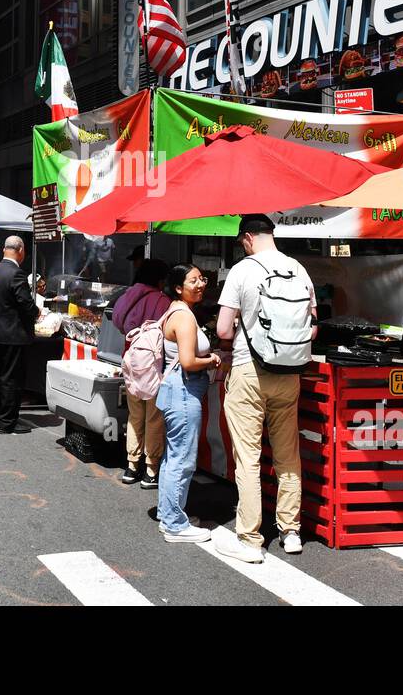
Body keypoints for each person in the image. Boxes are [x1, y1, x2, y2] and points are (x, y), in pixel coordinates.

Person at [216, 214, 316, 563]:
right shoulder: (299, 269)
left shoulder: (242, 271)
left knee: (248, 457)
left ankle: (250, 537)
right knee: (288, 454)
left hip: (249, 370)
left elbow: (224, 330)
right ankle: (291, 532)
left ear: (247, 238)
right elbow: (313, 328)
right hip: (290, 374)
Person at [156, 264, 220, 543]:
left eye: (201, 279)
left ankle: (170, 513)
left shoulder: (177, 310)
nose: (200, 284)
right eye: (192, 281)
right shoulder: (183, 317)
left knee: (174, 456)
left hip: (177, 390)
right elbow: (189, 361)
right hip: (183, 390)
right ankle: (173, 524)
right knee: (182, 459)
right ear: (179, 287)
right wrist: (213, 360)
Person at [112, 258, 171, 486]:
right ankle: (151, 469)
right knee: (154, 417)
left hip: (130, 360)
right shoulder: (162, 300)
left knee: (135, 415)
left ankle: (131, 465)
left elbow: (117, 319)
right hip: (154, 365)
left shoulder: (128, 294)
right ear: (160, 279)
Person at [0, 235, 38, 434]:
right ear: (21, 250)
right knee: (11, 378)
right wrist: (37, 312)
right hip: (12, 334)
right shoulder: (16, 274)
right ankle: (7, 422)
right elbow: (25, 303)